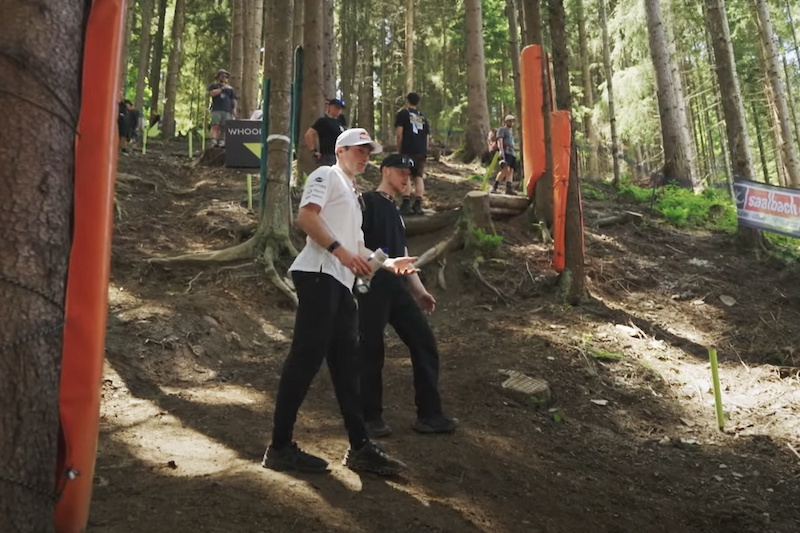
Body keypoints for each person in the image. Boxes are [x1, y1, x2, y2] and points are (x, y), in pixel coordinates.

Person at [263, 129, 416, 476]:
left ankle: (360, 447)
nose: (365, 157)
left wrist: (389, 264)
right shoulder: (326, 174)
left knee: (348, 367)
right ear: (340, 150)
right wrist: (341, 253)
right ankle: (279, 446)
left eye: (368, 152)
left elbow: (357, 246)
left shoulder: (353, 194)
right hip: (318, 275)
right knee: (305, 358)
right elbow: (306, 217)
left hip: (340, 284)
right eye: (359, 151)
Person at [358, 154, 458, 439]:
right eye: (401, 172)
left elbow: (400, 254)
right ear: (385, 171)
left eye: (409, 174)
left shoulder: (396, 212)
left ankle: (429, 414)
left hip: (398, 290)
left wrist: (419, 290)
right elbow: (356, 243)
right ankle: (369, 418)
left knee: (424, 342)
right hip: (371, 288)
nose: (406, 178)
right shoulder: (366, 202)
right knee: (371, 350)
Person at [395, 92, 430, 216]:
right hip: (421, 151)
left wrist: (399, 148)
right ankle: (418, 204)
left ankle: (406, 203)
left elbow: (400, 133)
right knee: (418, 177)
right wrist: (425, 151)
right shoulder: (423, 117)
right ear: (418, 103)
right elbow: (427, 137)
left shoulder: (403, 114)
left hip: (408, 149)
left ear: (407, 101)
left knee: (406, 175)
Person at [305, 98, 348, 166]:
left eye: (340, 108)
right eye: (336, 107)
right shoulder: (323, 121)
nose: (338, 110)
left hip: (342, 156)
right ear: (329, 107)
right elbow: (309, 134)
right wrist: (314, 151)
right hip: (328, 157)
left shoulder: (341, 122)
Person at [207, 68, 237, 148]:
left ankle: (222, 141)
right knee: (215, 125)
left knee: (225, 127)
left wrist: (234, 110)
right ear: (218, 77)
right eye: (222, 76)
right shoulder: (214, 86)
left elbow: (233, 100)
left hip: (227, 110)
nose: (224, 77)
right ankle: (214, 140)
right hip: (217, 109)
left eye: (226, 76)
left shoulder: (230, 89)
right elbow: (212, 94)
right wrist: (222, 89)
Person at [492, 115, 518, 195]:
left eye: (512, 121)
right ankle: (494, 187)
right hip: (506, 152)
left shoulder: (511, 132)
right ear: (506, 122)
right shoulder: (502, 130)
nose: (511, 122)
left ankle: (508, 188)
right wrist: (501, 151)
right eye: (509, 121)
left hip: (512, 153)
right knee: (505, 169)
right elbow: (500, 141)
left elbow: (512, 145)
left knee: (511, 170)